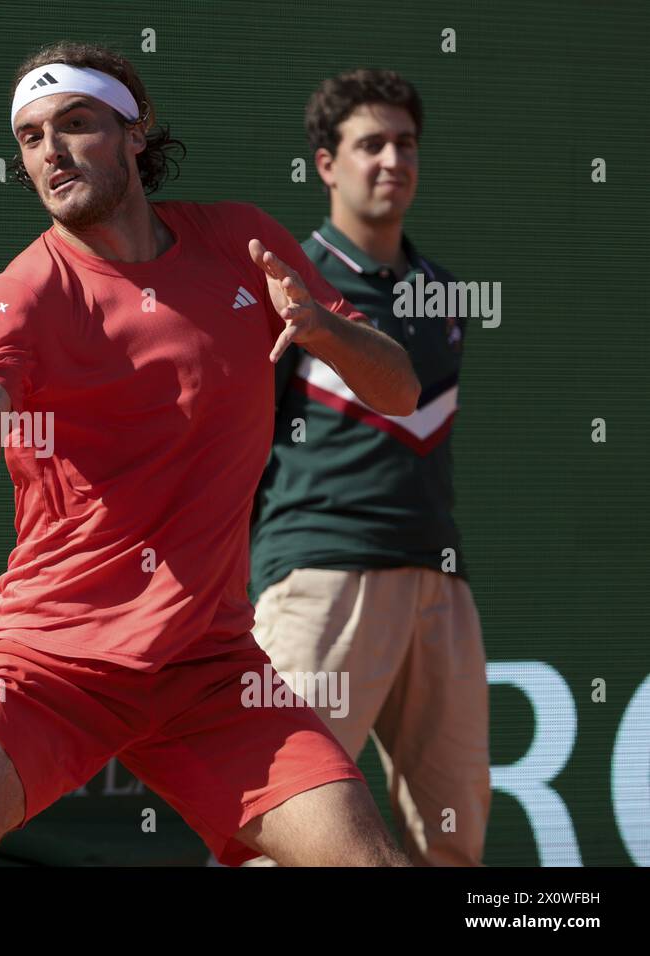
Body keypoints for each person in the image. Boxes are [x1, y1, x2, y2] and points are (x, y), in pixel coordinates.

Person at [0, 41, 419, 867]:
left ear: (135, 133)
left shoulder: (242, 243)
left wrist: (333, 334)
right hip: (47, 662)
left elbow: (400, 390)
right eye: (30, 138)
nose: (51, 152)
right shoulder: (21, 296)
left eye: (75, 124)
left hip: (211, 669)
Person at [247, 69, 490, 866]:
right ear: (326, 164)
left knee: (451, 845)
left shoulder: (445, 295)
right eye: (370, 144)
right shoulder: (286, 287)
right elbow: (239, 450)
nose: (392, 159)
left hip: (438, 584)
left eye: (406, 143)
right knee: (284, 837)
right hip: (317, 578)